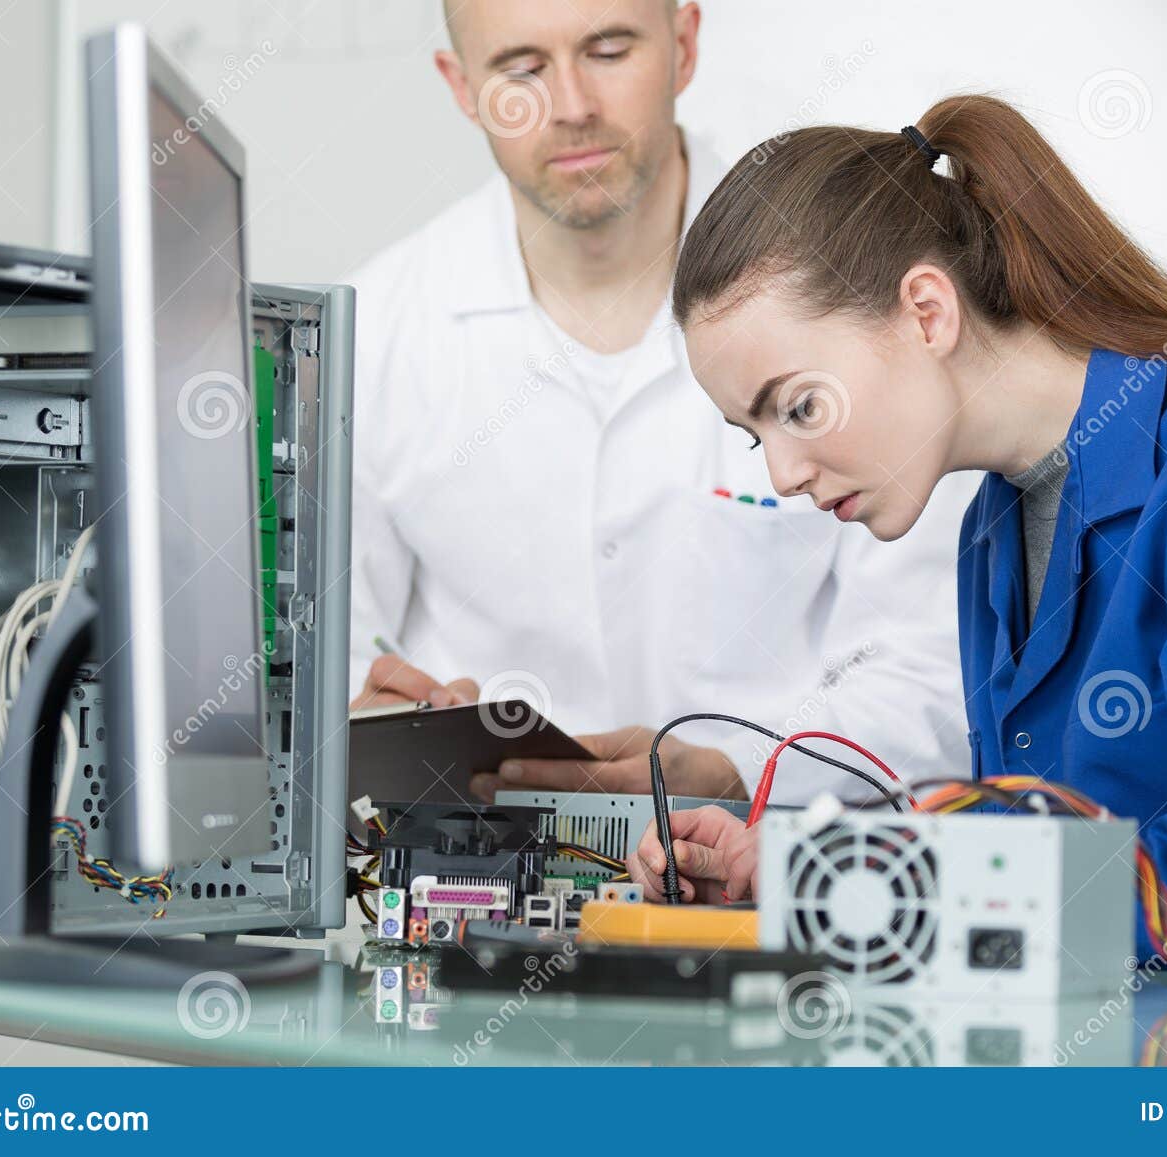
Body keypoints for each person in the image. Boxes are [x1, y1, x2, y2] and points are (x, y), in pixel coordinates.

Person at [627, 93, 1167, 960]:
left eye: (798, 406)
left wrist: (899, 881)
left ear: (927, 310)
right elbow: (1047, 845)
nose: (782, 473)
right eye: (753, 433)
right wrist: (818, 869)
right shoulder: (995, 528)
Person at [345, 0, 976, 806]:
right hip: (475, 885)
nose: (572, 106)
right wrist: (371, 712)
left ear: (684, 44)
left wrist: (728, 768)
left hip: (774, 872)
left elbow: (930, 670)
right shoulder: (375, 328)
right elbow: (329, 655)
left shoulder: (845, 284)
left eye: (609, 49)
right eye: (522, 69)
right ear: (461, 86)